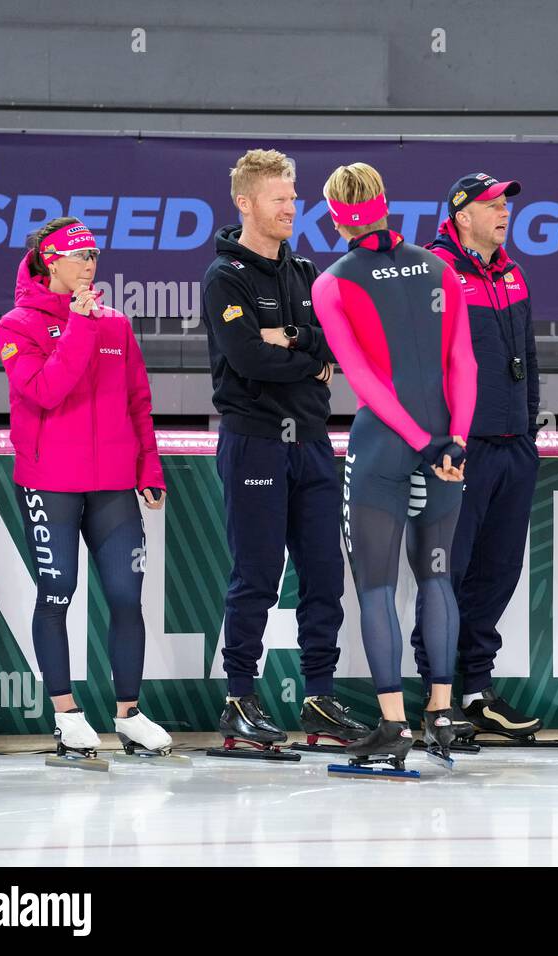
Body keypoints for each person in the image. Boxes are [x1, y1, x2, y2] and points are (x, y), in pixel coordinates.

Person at [201, 149, 369, 757]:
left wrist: (294, 339)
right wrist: (309, 360)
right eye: (278, 198)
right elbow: (248, 359)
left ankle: (319, 698)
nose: (290, 207)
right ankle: (240, 700)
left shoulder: (305, 270)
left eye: (293, 197)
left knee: (325, 575)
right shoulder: (225, 276)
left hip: (314, 444)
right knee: (257, 577)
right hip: (257, 444)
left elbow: (342, 345)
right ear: (244, 202)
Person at [311, 163, 476, 770]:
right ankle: (441, 712)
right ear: (386, 204)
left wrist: (418, 440)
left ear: (336, 219)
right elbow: (463, 360)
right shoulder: (441, 268)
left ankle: (394, 726)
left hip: (384, 445)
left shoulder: (331, 283)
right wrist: (452, 439)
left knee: (376, 586)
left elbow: (363, 380)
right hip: (445, 443)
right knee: (436, 577)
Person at [0, 217, 172, 768]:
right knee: (57, 595)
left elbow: (138, 402)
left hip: (115, 484)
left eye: (93, 255)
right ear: (50, 262)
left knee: (126, 596)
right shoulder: (15, 325)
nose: (90, 264)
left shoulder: (116, 325)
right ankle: (68, 715)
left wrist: (150, 468)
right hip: (51, 484)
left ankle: (128, 715)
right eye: (79, 256)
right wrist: (77, 326)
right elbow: (45, 391)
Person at [408, 172, 543, 742]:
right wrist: (439, 441)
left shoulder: (511, 272)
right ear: (461, 215)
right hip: (460, 451)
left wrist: (528, 427)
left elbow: (529, 359)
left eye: (505, 203)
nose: (503, 211)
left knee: (498, 572)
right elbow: (420, 363)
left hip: (513, 446)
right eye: (491, 204)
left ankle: (477, 692)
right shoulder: (434, 270)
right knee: (448, 572)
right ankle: (435, 697)